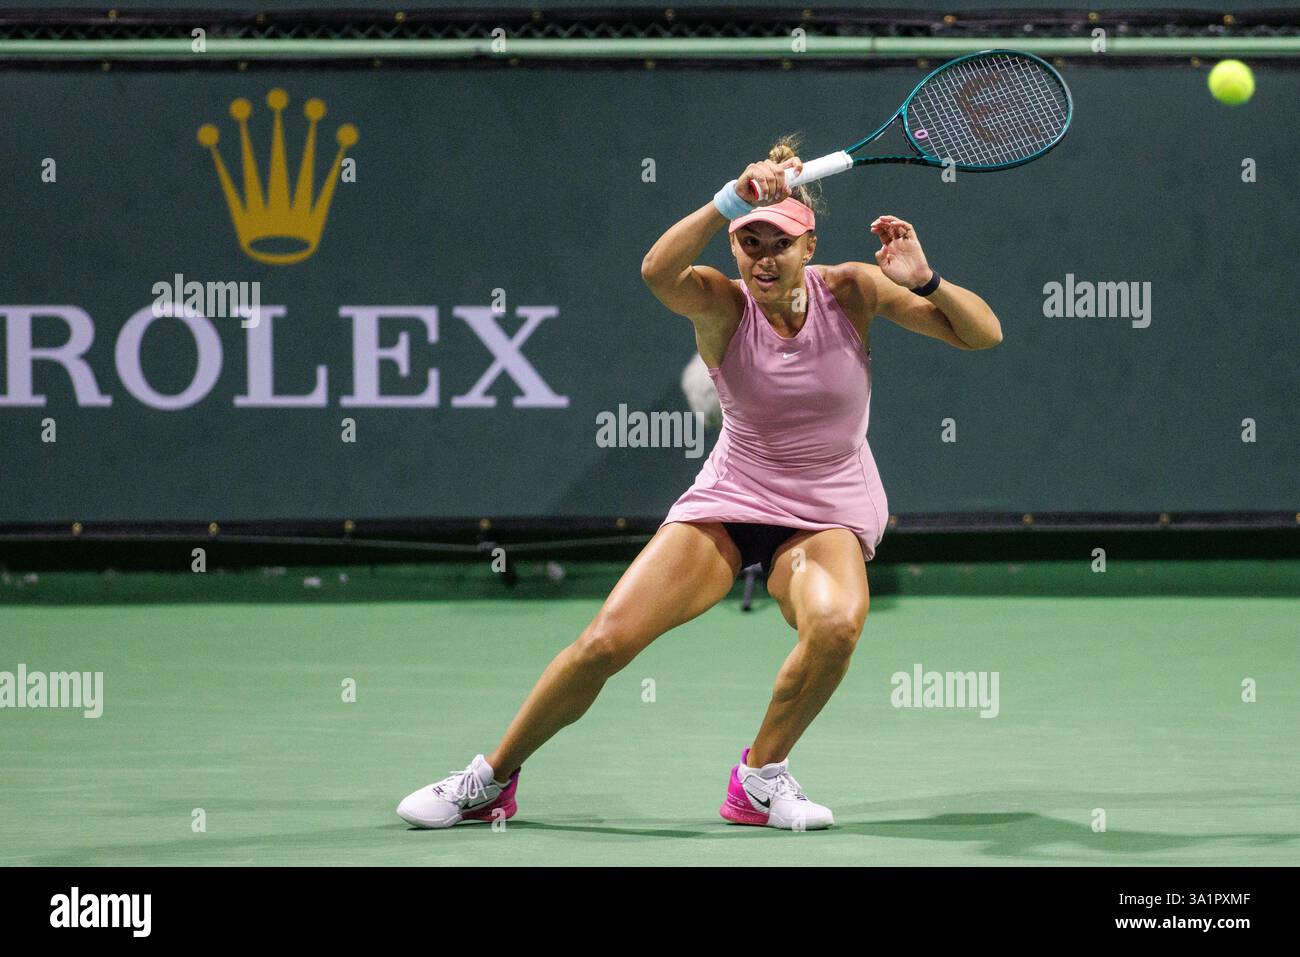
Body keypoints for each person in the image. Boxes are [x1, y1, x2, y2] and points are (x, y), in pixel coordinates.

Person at [396, 138, 1002, 830]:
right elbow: (658, 270)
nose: (764, 258)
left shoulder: (854, 291)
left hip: (826, 510)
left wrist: (927, 281)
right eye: (750, 242)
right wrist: (727, 199)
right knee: (604, 644)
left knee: (835, 624)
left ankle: (760, 777)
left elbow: (982, 335)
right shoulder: (724, 305)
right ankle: (488, 780)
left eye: (780, 243)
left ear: (810, 247)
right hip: (732, 499)